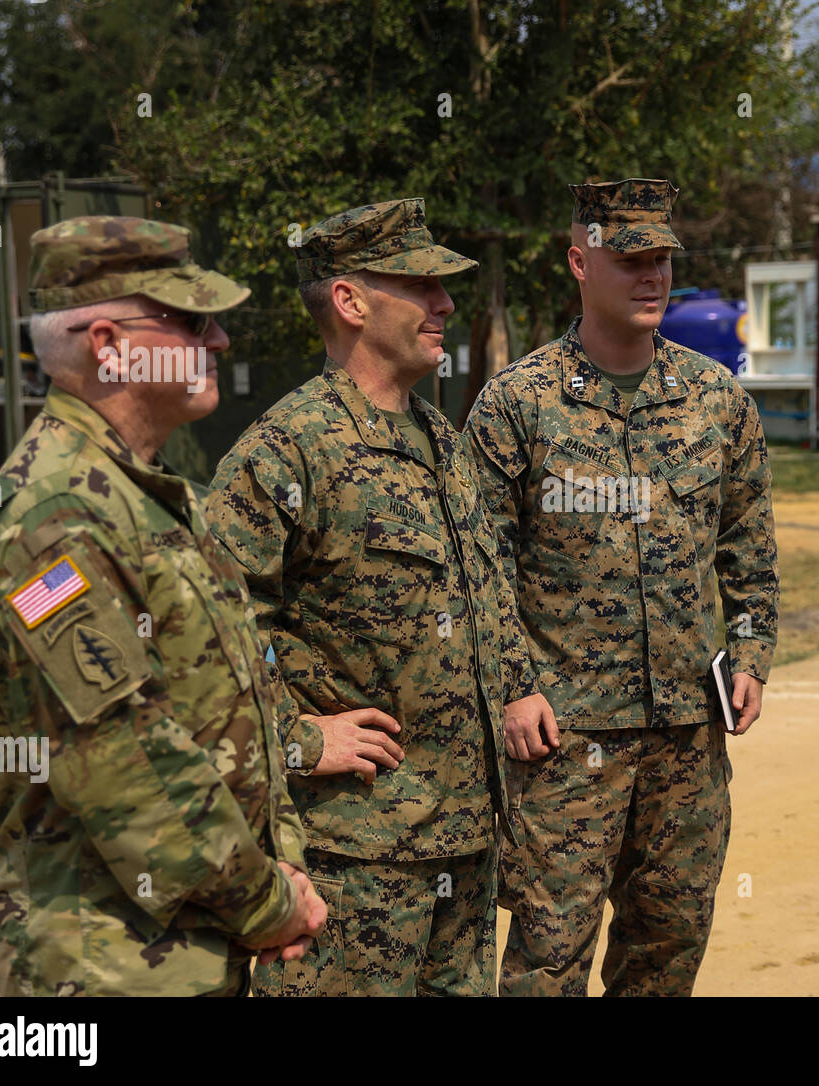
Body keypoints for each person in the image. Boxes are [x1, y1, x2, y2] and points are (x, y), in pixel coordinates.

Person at [0, 215, 328, 996]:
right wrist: (265, 902)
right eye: (191, 321)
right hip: (106, 966)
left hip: (185, 944)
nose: (218, 340)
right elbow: (126, 761)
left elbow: (223, 707)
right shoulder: (51, 519)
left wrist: (276, 860)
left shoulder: (147, 496)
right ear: (108, 345)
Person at [206, 199, 539, 996]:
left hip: (461, 847)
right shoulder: (286, 450)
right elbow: (209, 640)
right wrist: (295, 739)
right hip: (352, 863)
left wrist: (520, 686)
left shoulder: (440, 440)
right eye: (420, 285)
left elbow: (481, 591)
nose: (446, 305)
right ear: (352, 303)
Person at [464, 178, 779, 996]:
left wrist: (750, 652)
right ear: (580, 260)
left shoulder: (717, 402)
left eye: (663, 258)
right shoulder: (518, 405)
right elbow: (478, 565)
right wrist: (511, 688)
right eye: (630, 257)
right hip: (564, 740)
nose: (653, 276)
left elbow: (748, 548)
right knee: (548, 961)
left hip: (687, 736)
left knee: (667, 953)